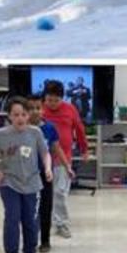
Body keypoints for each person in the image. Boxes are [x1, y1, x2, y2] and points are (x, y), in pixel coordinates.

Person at [0, 97, 52, 253]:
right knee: (12, 218)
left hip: (32, 183)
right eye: (16, 115)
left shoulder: (35, 132)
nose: (20, 118)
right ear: (9, 116)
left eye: (23, 114)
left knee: (30, 222)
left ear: (29, 115)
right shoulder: (1, 134)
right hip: (9, 182)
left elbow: (45, 154)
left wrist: (48, 169)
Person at [41, 81, 89, 240]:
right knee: (41, 193)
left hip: (63, 158)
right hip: (41, 158)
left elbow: (80, 129)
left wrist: (84, 149)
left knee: (60, 192)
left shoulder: (70, 109)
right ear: (44, 98)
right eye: (49, 100)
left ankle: (61, 223)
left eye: (56, 100)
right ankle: (41, 222)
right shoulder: (38, 110)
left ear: (62, 98)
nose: (52, 104)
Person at [29, 95, 71, 253]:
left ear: (42, 109)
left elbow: (56, 148)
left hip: (45, 174)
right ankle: (30, 240)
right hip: (26, 176)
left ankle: (45, 241)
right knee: (29, 209)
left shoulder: (49, 128)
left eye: (37, 108)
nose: (34, 111)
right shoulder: (22, 128)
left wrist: (67, 166)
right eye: (30, 108)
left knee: (46, 208)